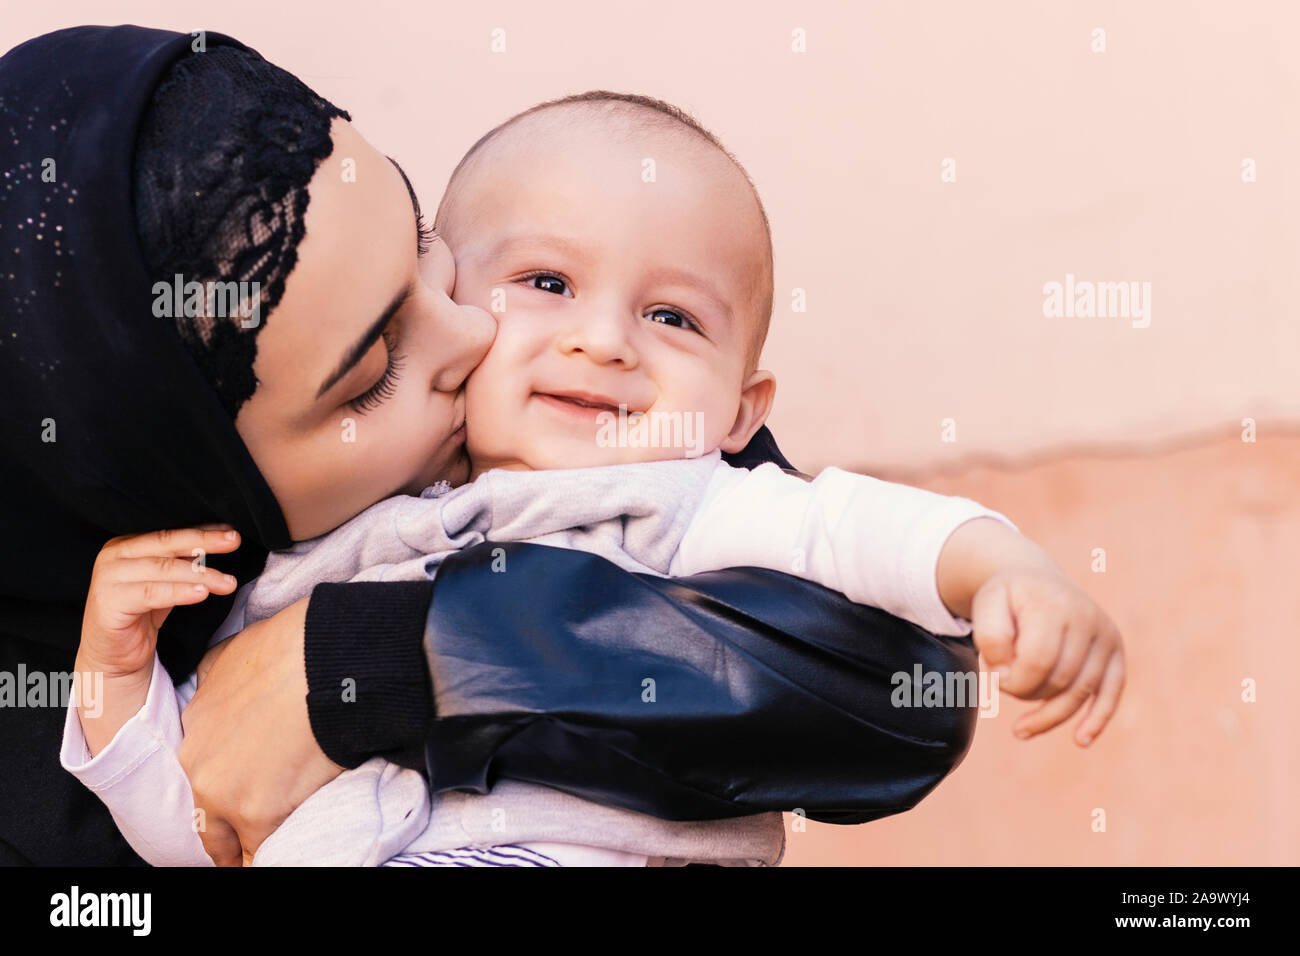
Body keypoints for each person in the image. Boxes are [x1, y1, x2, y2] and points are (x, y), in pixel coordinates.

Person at [2, 25, 998, 867]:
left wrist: (392, 654)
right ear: (196, 487)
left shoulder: (585, 416)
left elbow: (902, 688)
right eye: (371, 371)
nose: (471, 334)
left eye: (421, 245)